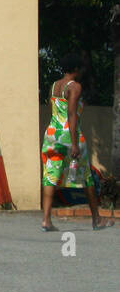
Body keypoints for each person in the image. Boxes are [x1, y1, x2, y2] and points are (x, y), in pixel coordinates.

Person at [40, 55, 113, 230]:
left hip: (52, 133)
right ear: (76, 69)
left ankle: (46, 220)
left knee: (50, 175)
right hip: (69, 134)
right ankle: (96, 219)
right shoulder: (75, 87)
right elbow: (71, 114)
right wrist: (73, 144)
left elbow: (56, 111)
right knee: (87, 178)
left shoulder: (54, 86)